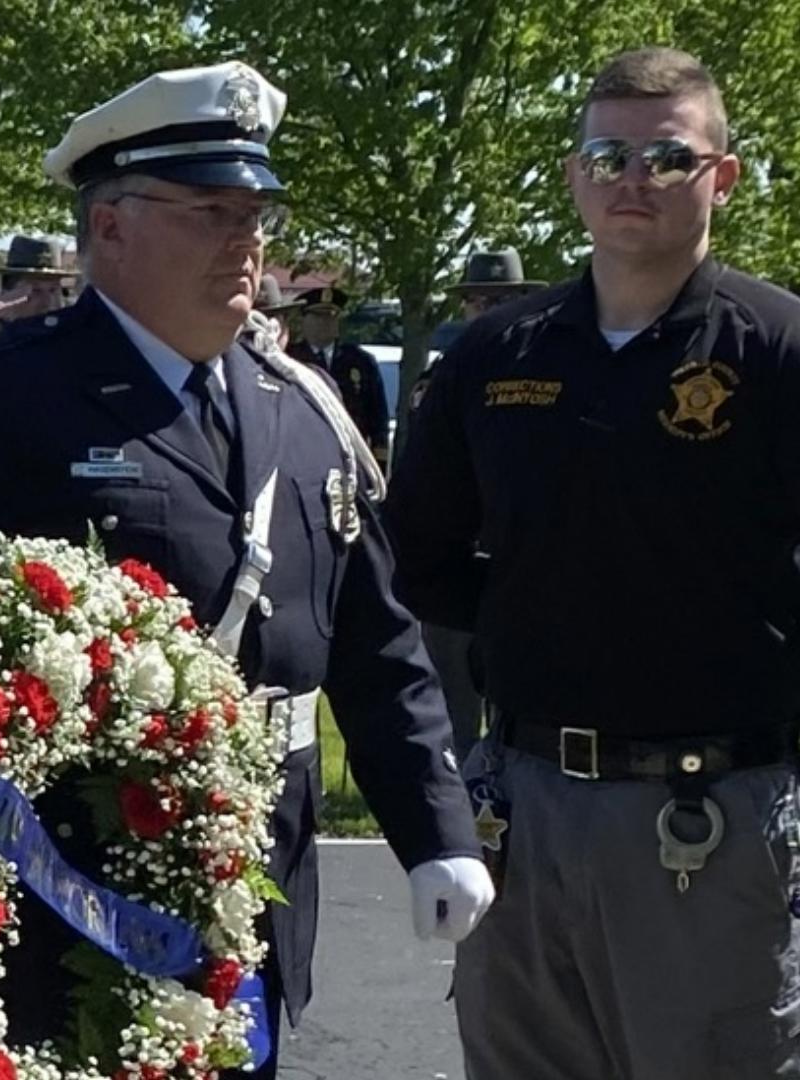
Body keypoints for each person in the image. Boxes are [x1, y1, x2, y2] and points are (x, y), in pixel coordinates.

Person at [0, 62, 490, 1071]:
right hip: (63, 888)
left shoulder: (300, 410)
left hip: (261, 881)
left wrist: (435, 831)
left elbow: (376, 644)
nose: (246, 241)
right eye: (210, 212)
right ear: (110, 227)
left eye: (256, 215)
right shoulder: (0, 397)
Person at [387, 48, 800, 1079]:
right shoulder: (499, 355)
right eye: (609, 156)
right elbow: (417, 555)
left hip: (714, 808)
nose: (634, 179)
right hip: (522, 805)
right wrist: (539, 616)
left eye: (668, 157)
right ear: (575, 175)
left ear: (722, 177)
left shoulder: (776, 347)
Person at [407, 249, 546, 758]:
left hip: (525, 568)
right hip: (458, 571)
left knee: (526, 720)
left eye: (501, 300)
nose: (488, 311)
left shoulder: (550, 377)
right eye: (478, 301)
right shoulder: (444, 380)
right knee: (454, 712)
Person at [286, 285, 388, 460]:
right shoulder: (289, 359)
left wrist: (379, 463)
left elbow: (378, 420)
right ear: (304, 320)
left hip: (350, 458)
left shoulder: (361, 362)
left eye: (332, 316)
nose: (326, 322)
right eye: (318, 315)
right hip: (303, 457)